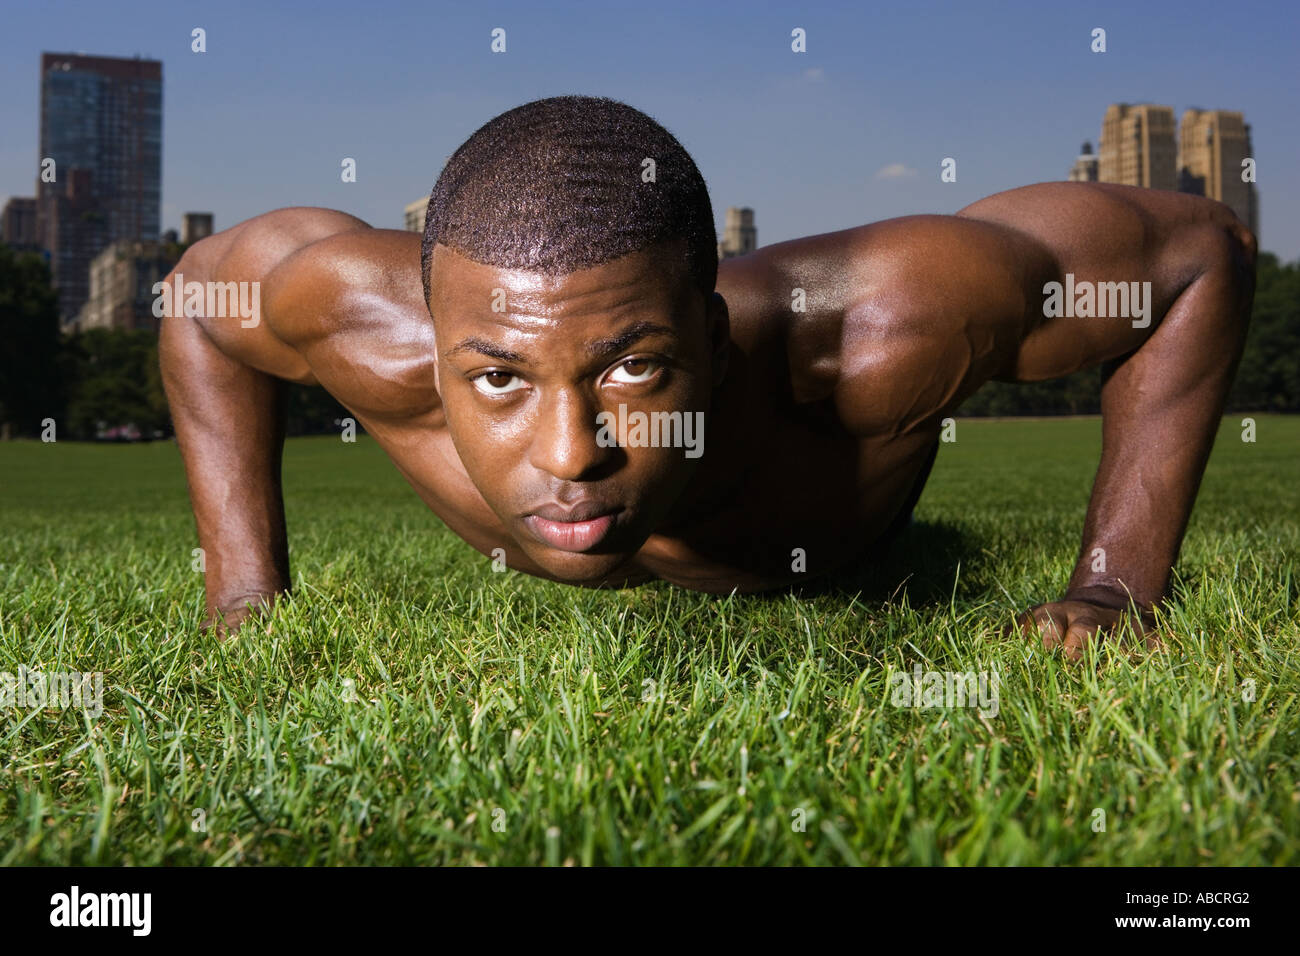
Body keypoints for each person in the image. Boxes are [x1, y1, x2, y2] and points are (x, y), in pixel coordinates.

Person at [159, 95, 1257, 660]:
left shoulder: (883, 331)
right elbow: (200, 302)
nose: (569, 453)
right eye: (496, 379)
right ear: (429, 346)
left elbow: (1198, 251)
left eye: (636, 367)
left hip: (845, 539)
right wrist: (245, 587)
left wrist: (1116, 580)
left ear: (718, 339)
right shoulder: (359, 321)